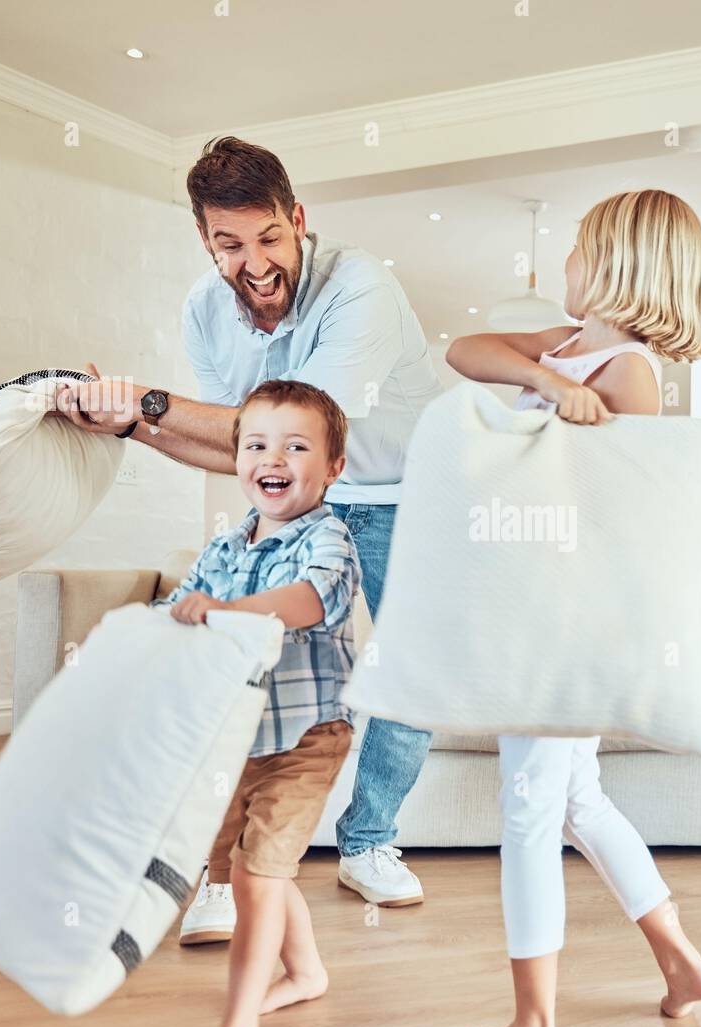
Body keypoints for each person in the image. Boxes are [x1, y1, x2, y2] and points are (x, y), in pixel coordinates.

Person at [55, 137, 443, 928]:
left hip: (406, 492)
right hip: (293, 498)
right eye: (230, 244)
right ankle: (225, 872)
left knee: (412, 668)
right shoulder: (205, 308)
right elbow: (246, 446)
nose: (254, 262)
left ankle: (367, 842)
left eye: (269, 237)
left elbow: (290, 425)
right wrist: (126, 422)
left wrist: (147, 403)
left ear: (298, 219)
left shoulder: (359, 286)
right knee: (238, 670)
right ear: (206, 240)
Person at [444, 190, 701, 1027]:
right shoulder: (565, 349)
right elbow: (464, 349)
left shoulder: (630, 370)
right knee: (577, 800)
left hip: (571, 624)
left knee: (527, 807)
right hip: (540, 610)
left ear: (616, 265)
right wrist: (547, 379)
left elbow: (631, 520)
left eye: (577, 246)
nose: (561, 261)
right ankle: (682, 966)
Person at [155, 380, 360, 1027]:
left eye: (297, 447)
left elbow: (307, 601)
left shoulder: (328, 537)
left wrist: (225, 613)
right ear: (237, 457)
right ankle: (305, 971)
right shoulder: (223, 549)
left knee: (255, 873)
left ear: (332, 467)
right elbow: (179, 615)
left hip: (307, 735)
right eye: (257, 444)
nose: (273, 458)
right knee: (248, 861)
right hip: (234, 738)